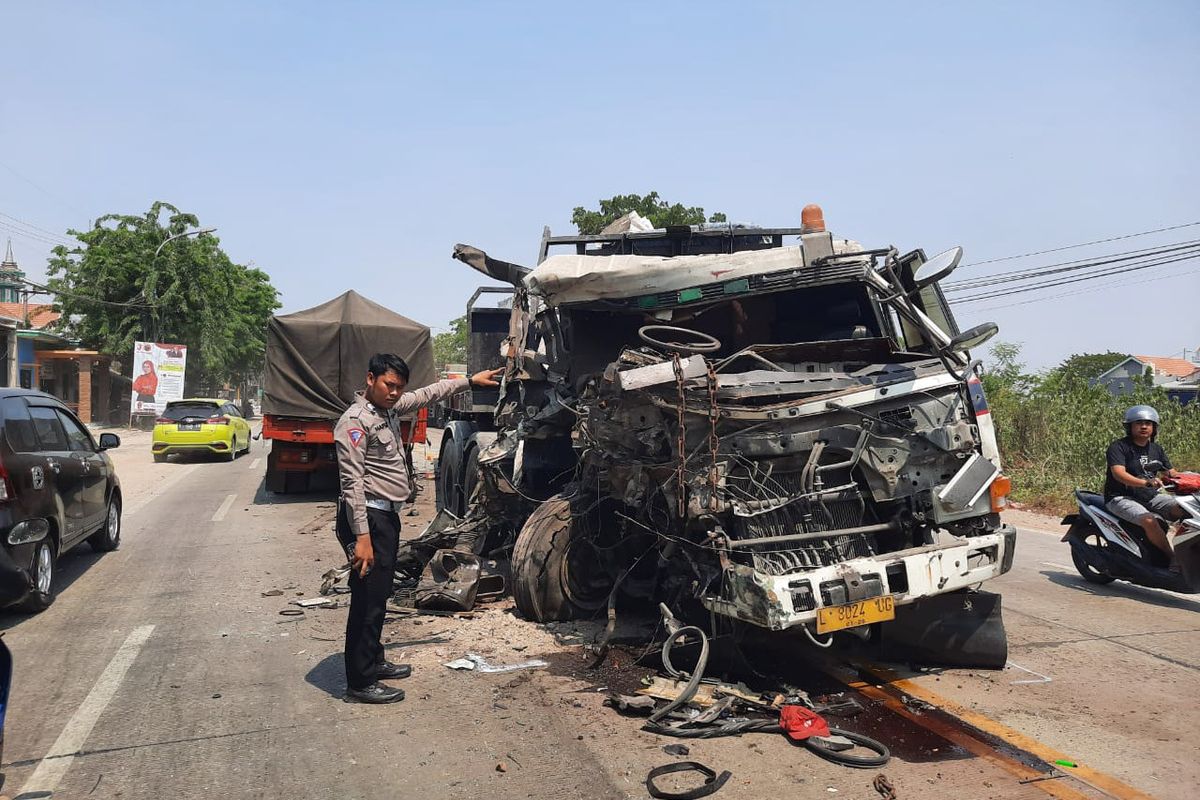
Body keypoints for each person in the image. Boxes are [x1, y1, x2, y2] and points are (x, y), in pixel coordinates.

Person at [334, 353, 501, 704]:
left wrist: (470, 381)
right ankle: (360, 682)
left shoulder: (388, 410)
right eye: (388, 385)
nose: (394, 392)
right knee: (366, 601)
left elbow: (430, 393)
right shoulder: (354, 421)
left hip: (385, 517)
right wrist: (362, 537)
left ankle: (374, 660)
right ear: (370, 379)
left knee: (378, 596)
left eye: (399, 387)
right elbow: (352, 485)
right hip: (368, 520)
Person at [1103, 405, 1184, 564]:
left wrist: (1190, 479)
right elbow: (1119, 474)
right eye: (1139, 423)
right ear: (1130, 426)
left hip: (1150, 497)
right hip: (1120, 497)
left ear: (1154, 428)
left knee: (1185, 511)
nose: (1144, 426)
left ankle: (1187, 553)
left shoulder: (1156, 449)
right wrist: (1145, 483)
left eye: (1148, 423)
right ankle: (1173, 558)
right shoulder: (1119, 447)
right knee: (1149, 520)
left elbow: (1171, 473)